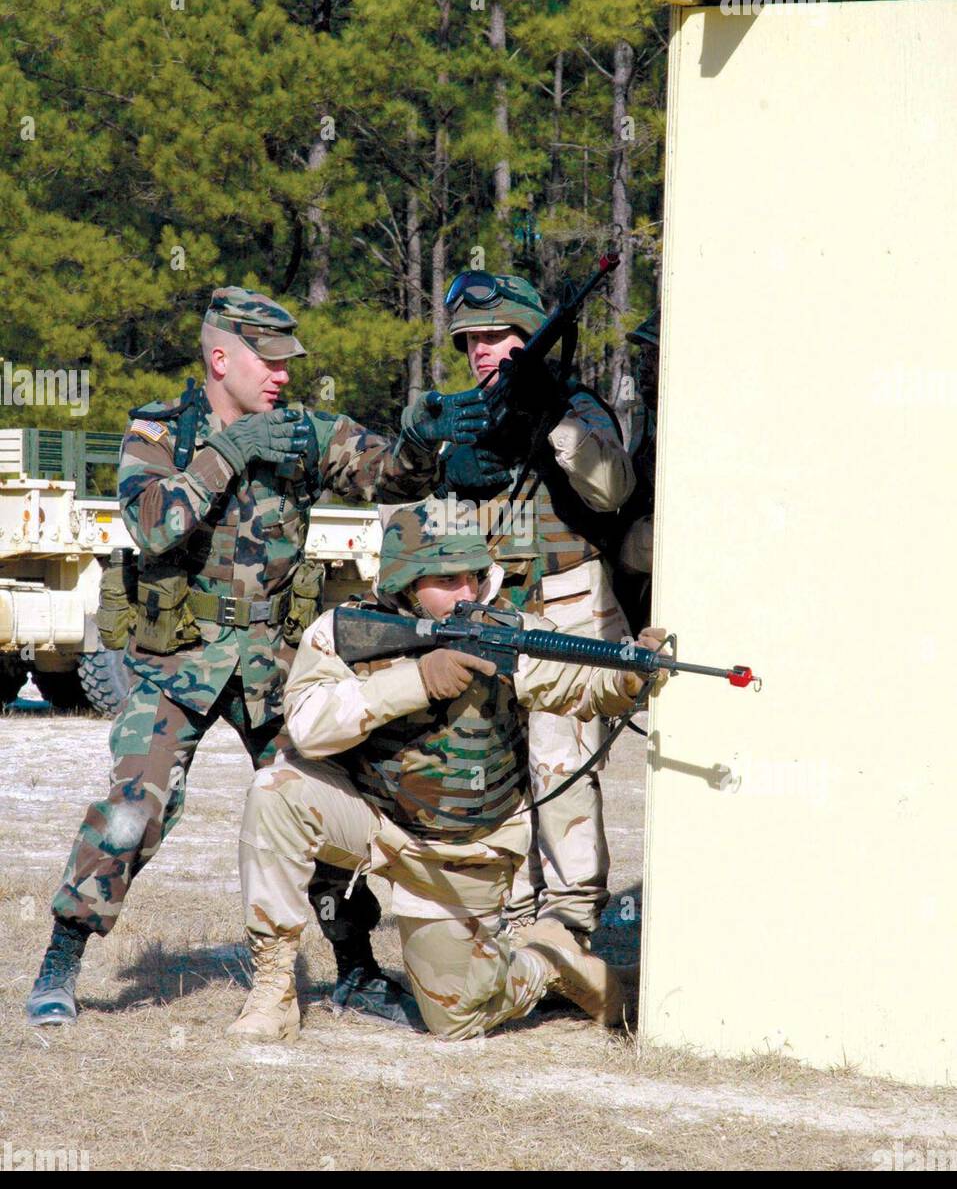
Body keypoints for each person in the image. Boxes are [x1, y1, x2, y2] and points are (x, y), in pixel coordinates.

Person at [25, 286, 488, 1029]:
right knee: (131, 810)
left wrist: (414, 436)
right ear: (220, 358)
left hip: (274, 666)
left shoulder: (306, 432)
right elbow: (153, 527)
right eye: (266, 362)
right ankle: (62, 957)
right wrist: (225, 455)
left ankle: (356, 967)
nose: (281, 376)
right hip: (178, 662)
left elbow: (390, 480)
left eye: (286, 363)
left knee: (321, 806)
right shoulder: (160, 432)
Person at [227, 499, 667, 1043]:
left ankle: (548, 963)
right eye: (447, 578)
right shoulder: (344, 631)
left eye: (475, 576)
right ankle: (273, 991)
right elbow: (310, 727)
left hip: (463, 852)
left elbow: (576, 683)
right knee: (274, 790)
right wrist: (417, 680)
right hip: (376, 825)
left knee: (456, 1020)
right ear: (406, 581)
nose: (467, 592)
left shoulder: (510, 631)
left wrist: (627, 676)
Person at [440, 271, 636, 952]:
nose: (481, 352)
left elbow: (612, 488)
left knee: (561, 772)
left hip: (571, 613)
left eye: (495, 337)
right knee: (497, 775)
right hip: (494, 614)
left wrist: (553, 420)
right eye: (470, 341)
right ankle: (514, 922)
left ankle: (573, 925)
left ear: (527, 338)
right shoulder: (471, 416)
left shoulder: (572, 403)